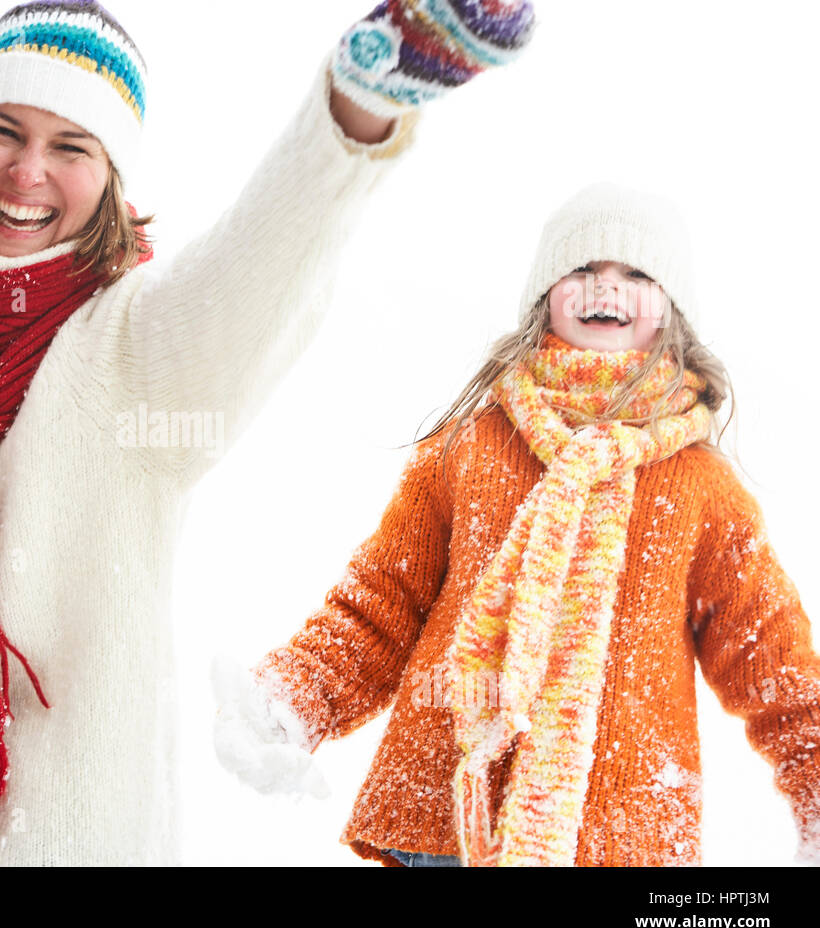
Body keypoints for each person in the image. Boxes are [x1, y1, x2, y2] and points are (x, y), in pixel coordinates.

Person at [0, 0, 536, 864]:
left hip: (46, 836)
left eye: (72, 146)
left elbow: (262, 260)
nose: (28, 171)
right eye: (5, 130)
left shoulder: (132, 353)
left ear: (112, 177)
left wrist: (355, 109)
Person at [215, 182, 820, 867]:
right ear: (545, 297)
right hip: (449, 817)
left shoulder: (703, 486)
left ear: (671, 310)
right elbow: (381, 604)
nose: (607, 287)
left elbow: (771, 659)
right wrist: (296, 696)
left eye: (637, 273)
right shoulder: (467, 449)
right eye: (583, 269)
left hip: (619, 830)